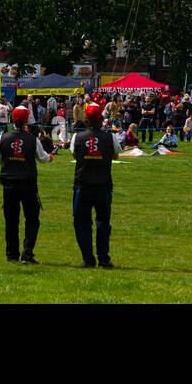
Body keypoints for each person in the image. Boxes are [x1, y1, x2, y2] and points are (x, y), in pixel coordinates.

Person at [0, 106, 52, 264]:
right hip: (28, 184)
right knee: (32, 219)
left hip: (9, 184)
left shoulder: (2, 137)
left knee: (11, 220)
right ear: (26, 121)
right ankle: (27, 254)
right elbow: (42, 158)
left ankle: (11, 254)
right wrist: (50, 157)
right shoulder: (33, 139)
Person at [70, 102, 121, 269]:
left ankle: (88, 259)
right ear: (101, 119)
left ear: (86, 120)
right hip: (103, 185)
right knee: (103, 223)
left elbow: (74, 154)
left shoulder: (77, 137)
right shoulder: (111, 137)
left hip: (82, 185)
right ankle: (104, 259)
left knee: (82, 223)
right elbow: (116, 155)